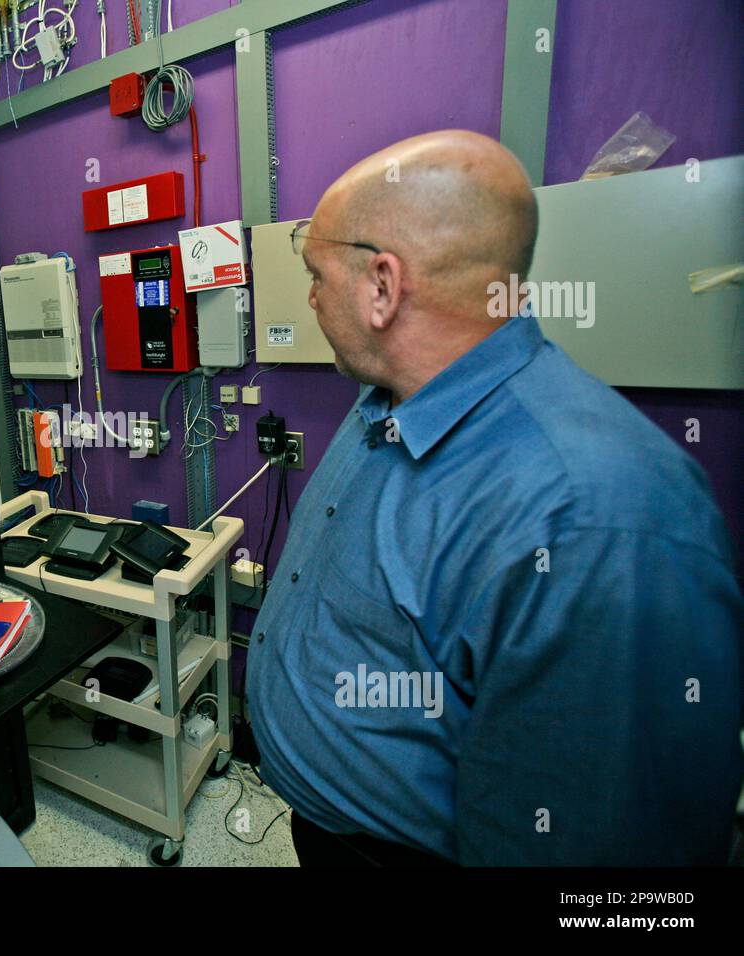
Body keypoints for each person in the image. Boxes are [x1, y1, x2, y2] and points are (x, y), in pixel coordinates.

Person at [245, 129, 743, 866]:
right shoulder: (384, 398)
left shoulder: (597, 518)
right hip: (329, 834)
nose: (310, 296)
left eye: (316, 273)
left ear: (383, 286)